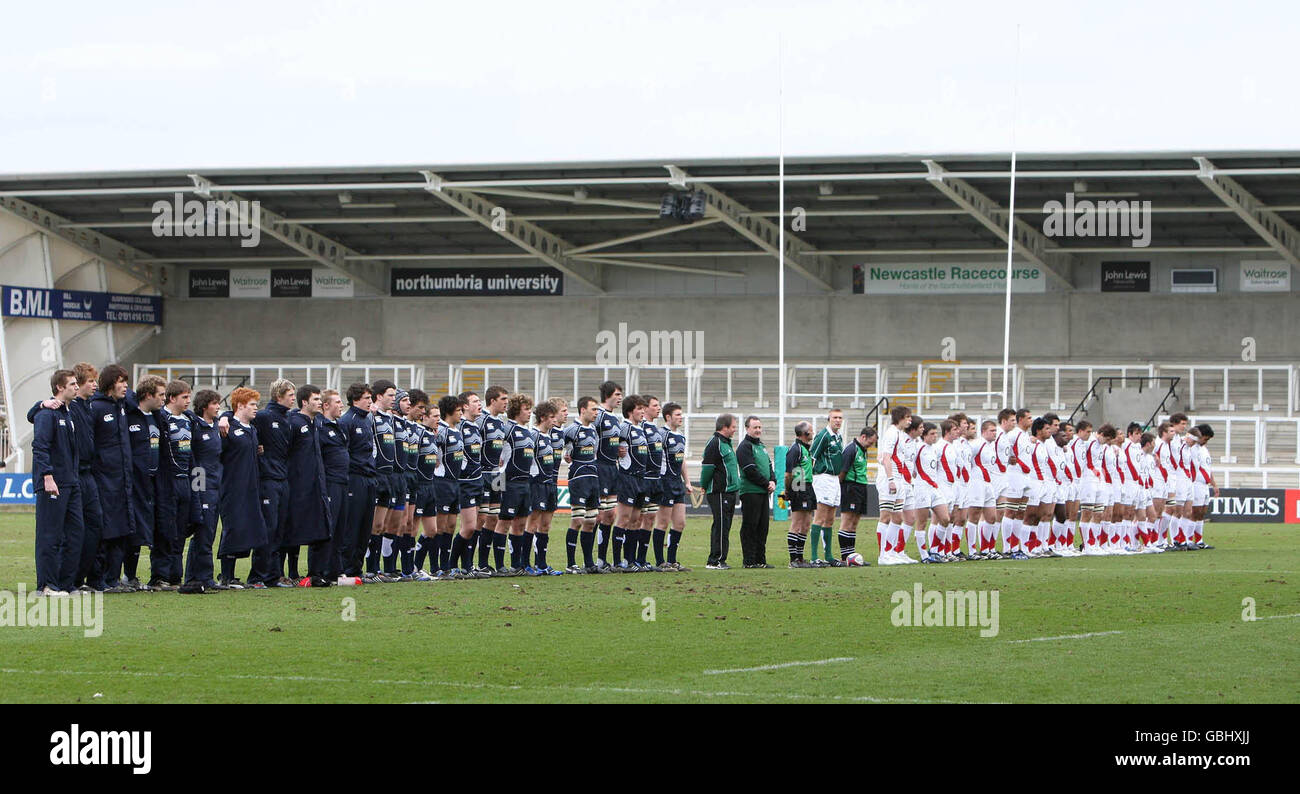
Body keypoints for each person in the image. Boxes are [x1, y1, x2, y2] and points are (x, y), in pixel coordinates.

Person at [31, 369, 84, 595]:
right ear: (60, 388)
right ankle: (47, 585)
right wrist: (47, 476)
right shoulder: (46, 414)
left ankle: (64, 583)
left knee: (75, 534)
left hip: (71, 483)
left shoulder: (69, 413)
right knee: (49, 535)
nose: (75, 387)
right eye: (72, 384)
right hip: (53, 483)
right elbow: (40, 447)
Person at [89, 365, 136, 593]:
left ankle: (113, 579)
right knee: (105, 532)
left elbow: (149, 398)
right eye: (121, 381)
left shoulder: (122, 406)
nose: (126, 385)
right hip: (103, 480)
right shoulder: (96, 408)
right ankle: (99, 580)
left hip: (123, 480)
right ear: (109, 383)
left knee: (121, 530)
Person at [218, 388, 269, 588]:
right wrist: (224, 416)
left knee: (249, 528)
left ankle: (242, 575)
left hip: (251, 486)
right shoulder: (227, 426)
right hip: (232, 486)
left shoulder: (252, 429)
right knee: (232, 527)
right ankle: (226, 576)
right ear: (240, 406)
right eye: (252, 404)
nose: (256, 408)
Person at [250, 379, 296, 587]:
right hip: (268, 480)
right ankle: (258, 576)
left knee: (280, 529)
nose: (293, 398)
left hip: (283, 479)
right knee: (268, 528)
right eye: (290, 395)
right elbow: (237, 420)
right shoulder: (264, 416)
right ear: (279, 396)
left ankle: (274, 574)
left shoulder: (287, 418)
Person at [286, 385, 333, 586]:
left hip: (317, 484)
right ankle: (291, 573)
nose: (319, 403)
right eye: (315, 399)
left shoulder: (316, 422)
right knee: (294, 528)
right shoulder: (294, 422)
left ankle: (315, 573)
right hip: (297, 485)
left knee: (320, 527)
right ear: (304, 402)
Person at [125, 376, 166, 591]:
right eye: (160, 395)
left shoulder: (158, 417)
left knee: (148, 528)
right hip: (134, 481)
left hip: (153, 481)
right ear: (148, 395)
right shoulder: (129, 415)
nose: (164, 399)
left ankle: (151, 576)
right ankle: (128, 575)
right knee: (133, 528)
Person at [182, 389, 224, 591]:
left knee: (208, 532)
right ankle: (204, 577)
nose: (218, 407)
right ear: (205, 405)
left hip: (216, 484)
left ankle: (193, 576)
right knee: (203, 532)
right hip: (201, 482)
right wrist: (197, 490)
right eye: (215, 404)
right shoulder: (195, 424)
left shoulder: (215, 425)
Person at [155, 380, 193, 590]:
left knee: (181, 530)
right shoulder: (161, 418)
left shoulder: (189, 419)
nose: (189, 401)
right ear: (172, 398)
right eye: (184, 397)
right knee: (165, 529)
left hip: (185, 480)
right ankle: (159, 575)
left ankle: (175, 576)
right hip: (168, 481)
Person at [338, 383, 378, 579]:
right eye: (366, 398)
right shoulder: (348, 421)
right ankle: (346, 569)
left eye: (371, 398)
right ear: (355, 400)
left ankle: (357, 569)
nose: (370, 402)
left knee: (365, 527)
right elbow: (343, 453)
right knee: (352, 525)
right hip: (355, 479)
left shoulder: (367, 420)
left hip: (370, 478)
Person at [562, 396, 601, 573]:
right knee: (577, 520)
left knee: (591, 521)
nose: (596, 413)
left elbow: (594, 453)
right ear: (582, 410)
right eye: (593, 409)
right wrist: (566, 455)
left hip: (593, 477)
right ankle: (571, 563)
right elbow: (563, 450)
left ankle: (589, 563)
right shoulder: (570, 430)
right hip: (578, 478)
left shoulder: (593, 430)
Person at [700, 413, 740, 570]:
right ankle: (714, 560)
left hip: (729, 491)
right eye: (733, 427)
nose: (735, 430)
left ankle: (721, 558)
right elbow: (708, 467)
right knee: (721, 525)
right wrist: (704, 485)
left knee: (725, 525)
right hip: (719, 491)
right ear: (725, 427)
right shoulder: (715, 443)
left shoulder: (725, 443)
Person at [735, 415, 776, 569]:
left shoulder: (762, 447)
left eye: (759, 427)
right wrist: (767, 483)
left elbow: (769, 467)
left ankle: (760, 560)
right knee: (750, 526)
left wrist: (773, 481)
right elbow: (750, 470)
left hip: (763, 492)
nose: (758, 430)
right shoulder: (744, 446)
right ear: (747, 429)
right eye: (755, 427)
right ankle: (749, 561)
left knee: (763, 527)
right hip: (751, 492)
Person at [656, 402, 692, 572]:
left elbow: (682, 460)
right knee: (662, 522)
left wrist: (688, 481)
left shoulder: (681, 436)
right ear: (668, 417)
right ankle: (660, 561)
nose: (681, 417)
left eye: (681, 414)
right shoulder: (661, 434)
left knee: (680, 523)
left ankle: (672, 560)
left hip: (677, 482)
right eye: (677, 414)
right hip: (665, 481)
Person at [808, 409, 845, 566]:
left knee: (830, 519)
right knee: (820, 517)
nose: (838, 420)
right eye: (835, 417)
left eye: (840, 418)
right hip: (823, 478)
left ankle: (828, 555)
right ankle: (814, 556)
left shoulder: (838, 437)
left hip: (834, 479)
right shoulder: (823, 435)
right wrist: (809, 480)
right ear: (829, 419)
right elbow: (812, 457)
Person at [837, 425, 877, 564]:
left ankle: (851, 556)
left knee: (854, 523)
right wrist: (839, 487)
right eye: (870, 442)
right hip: (851, 487)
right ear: (863, 437)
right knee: (847, 521)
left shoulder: (862, 450)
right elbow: (843, 470)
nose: (871, 445)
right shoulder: (851, 449)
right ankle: (844, 557)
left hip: (860, 487)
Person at [783, 421, 816, 568]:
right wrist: (788, 491)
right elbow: (788, 474)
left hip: (808, 485)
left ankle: (800, 558)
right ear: (805, 433)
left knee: (806, 524)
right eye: (811, 431)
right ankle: (793, 560)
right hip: (799, 484)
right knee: (796, 523)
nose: (813, 433)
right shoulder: (795, 449)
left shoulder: (805, 449)